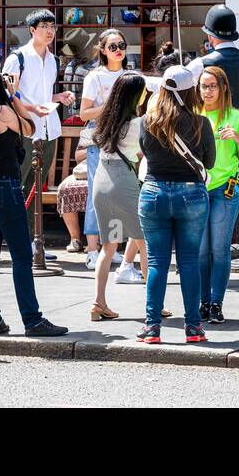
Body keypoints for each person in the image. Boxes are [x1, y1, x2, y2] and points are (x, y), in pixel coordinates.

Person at [0, 63, 68, 338]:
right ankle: (32, 320)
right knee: (21, 255)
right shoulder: (3, 110)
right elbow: (31, 128)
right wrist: (13, 94)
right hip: (2, 186)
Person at [138, 66, 216, 344]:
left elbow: (146, 154)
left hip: (154, 191)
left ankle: (152, 328)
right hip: (191, 194)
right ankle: (193, 328)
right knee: (189, 261)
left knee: (158, 261)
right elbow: (209, 163)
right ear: (190, 91)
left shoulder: (147, 122)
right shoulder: (201, 123)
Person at [185, 5, 239, 285]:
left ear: (210, 35)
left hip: (209, 144)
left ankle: (205, 274)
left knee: (208, 211)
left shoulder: (199, 65)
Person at [90, 72, 153, 321]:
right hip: (124, 182)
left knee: (108, 247)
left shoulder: (105, 119)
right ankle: (154, 305)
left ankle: (98, 303)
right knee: (144, 242)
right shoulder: (139, 124)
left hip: (102, 182)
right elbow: (143, 153)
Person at [79, 29, 140, 276]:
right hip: (102, 137)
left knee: (118, 195)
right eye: (112, 46)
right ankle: (92, 249)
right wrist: (110, 106)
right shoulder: (95, 77)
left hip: (126, 137)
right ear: (102, 50)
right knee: (98, 191)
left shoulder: (130, 75)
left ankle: (110, 244)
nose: (118, 50)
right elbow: (84, 113)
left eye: (121, 45)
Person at [2, 10, 76, 210]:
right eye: (44, 26)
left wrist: (58, 97)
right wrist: (32, 108)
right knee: (17, 184)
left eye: (53, 26)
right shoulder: (17, 59)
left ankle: (33, 236)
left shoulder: (53, 60)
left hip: (49, 131)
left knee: (35, 188)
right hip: (24, 129)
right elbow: (5, 98)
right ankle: (13, 235)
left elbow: (41, 96)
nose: (50, 31)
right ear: (32, 30)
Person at [198, 66, 239, 323]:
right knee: (200, 250)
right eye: (203, 86)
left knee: (220, 249)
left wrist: (238, 139)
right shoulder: (193, 115)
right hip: (198, 189)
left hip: (225, 190)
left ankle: (216, 303)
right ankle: (203, 301)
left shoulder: (235, 116)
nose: (207, 91)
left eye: (212, 86)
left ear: (222, 89)